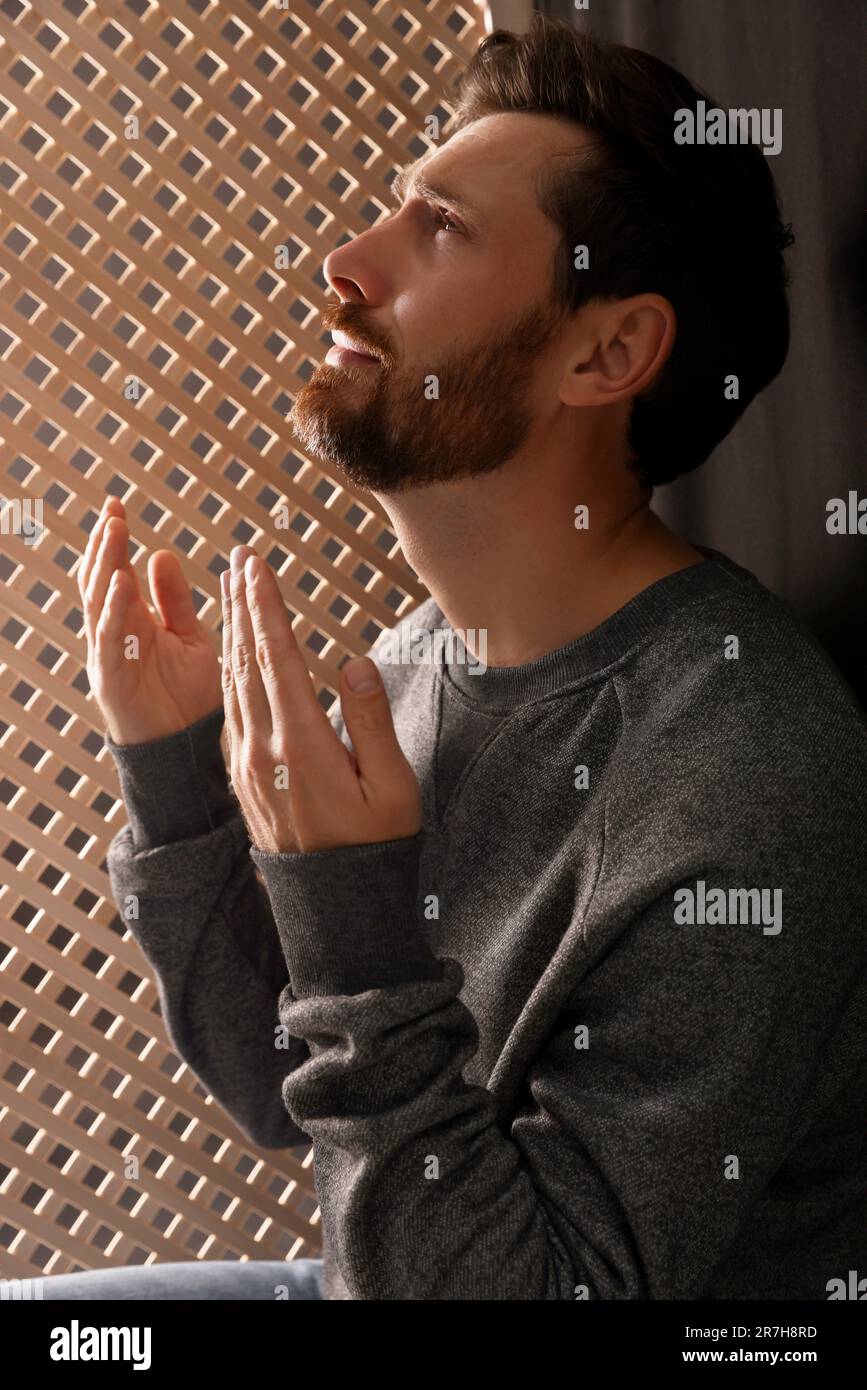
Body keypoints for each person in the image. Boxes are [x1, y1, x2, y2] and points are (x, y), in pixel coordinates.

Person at [45, 16, 865, 1299]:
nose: (346, 261)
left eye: (442, 228)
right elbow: (289, 1095)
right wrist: (179, 780)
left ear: (608, 352)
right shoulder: (424, 660)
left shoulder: (748, 776)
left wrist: (354, 922)